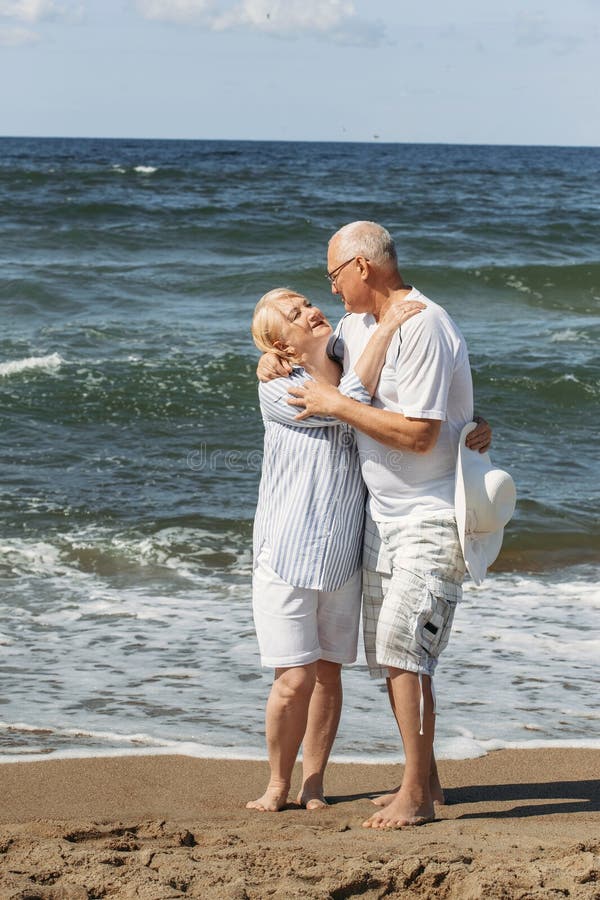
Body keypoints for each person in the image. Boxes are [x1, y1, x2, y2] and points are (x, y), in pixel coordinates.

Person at [285, 221, 486, 829]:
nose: (333, 289)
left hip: (432, 514)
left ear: (361, 268)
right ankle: (424, 780)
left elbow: (421, 435)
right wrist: (277, 358)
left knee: (407, 650)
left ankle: (416, 797)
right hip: (381, 517)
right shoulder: (357, 326)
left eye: (333, 276)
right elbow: (332, 369)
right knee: (395, 657)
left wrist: (338, 407)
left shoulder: (423, 324)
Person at [247, 287, 427, 813]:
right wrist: (389, 328)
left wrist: (474, 423)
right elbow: (346, 405)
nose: (311, 310)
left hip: (344, 553)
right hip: (287, 551)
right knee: (294, 677)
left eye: (306, 301)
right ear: (281, 343)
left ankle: (314, 782)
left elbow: (400, 400)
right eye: (295, 312)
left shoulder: (351, 356)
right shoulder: (282, 389)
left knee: (329, 673)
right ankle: (277, 784)